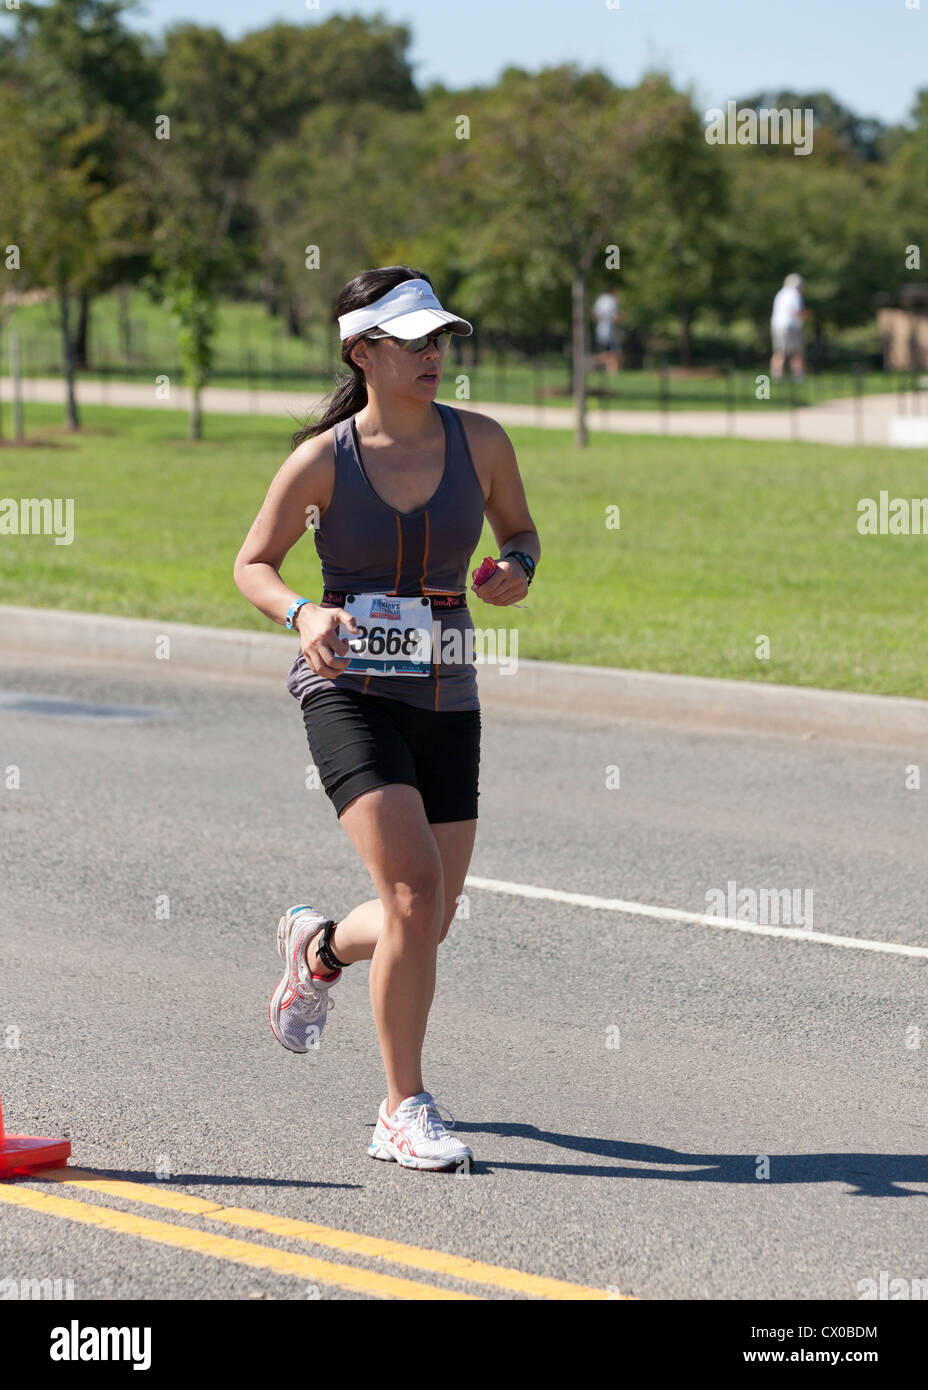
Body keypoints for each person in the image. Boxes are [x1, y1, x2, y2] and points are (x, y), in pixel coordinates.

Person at [233, 266, 540, 1172]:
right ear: (362, 352)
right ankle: (402, 1108)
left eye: (439, 339)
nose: (433, 356)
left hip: (448, 685)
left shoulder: (480, 442)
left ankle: (318, 946)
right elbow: (254, 564)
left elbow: (519, 535)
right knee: (410, 893)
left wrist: (514, 569)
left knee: (430, 915)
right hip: (347, 689)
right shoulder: (324, 459)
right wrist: (303, 613)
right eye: (412, 342)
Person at [770, 273, 809, 382]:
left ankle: (776, 377)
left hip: (777, 326)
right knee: (797, 353)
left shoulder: (780, 293)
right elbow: (797, 312)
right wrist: (807, 316)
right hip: (790, 327)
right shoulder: (794, 294)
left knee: (779, 352)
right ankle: (798, 377)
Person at [591, 288, 622, 372]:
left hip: (600, 330)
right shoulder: (612, 300)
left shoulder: (600, 299)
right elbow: (615, 317)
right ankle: (610, 370)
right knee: (614, 353)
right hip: (610, 331)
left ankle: (598, 365)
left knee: (607, 351)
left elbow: (595, 315)